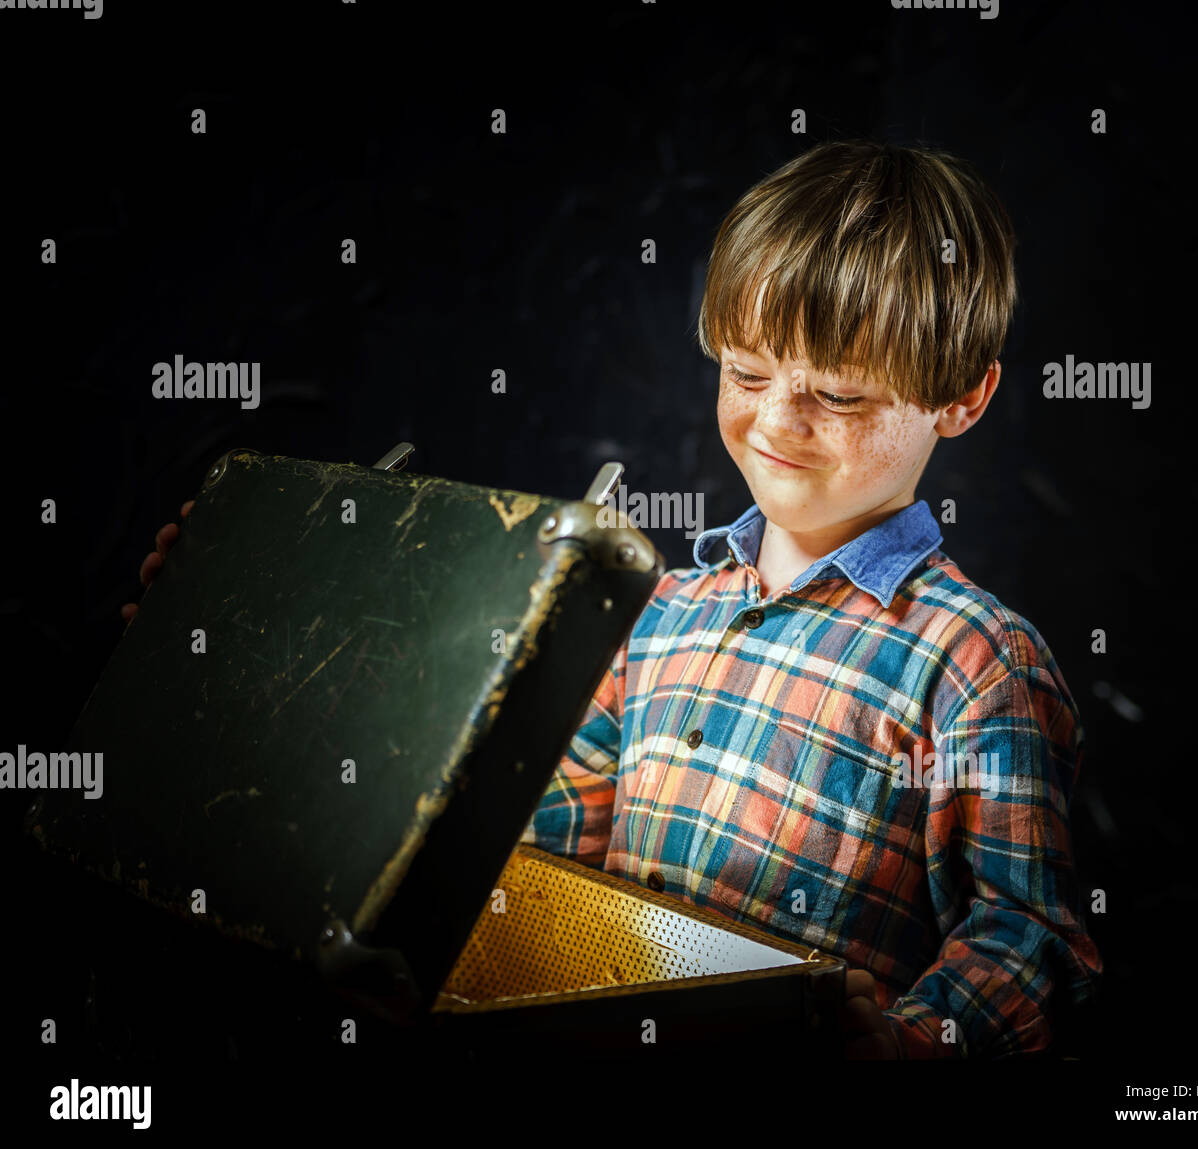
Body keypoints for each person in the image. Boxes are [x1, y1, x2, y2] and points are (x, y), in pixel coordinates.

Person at [128, 139, 1102, 1059]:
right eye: (746, 371)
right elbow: (541, 866)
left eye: (838, 397)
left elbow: (1031, 937)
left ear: (961, 398)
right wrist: (246, 663)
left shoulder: (976, 656)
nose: (775, 419)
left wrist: (910, 1042)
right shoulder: (652, 611)